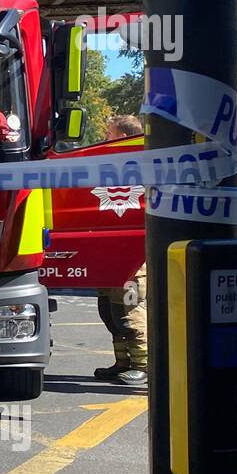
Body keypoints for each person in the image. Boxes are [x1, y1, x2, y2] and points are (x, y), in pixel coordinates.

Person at [95, 114, 148, 388]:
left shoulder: (140, 165)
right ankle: (123, 362)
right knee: (109, 311)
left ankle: (143, 365)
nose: (105, 137)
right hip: (110, 256)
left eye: (109, 133)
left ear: (124, 137)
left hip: (131, 259)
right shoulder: (110, 165)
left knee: (129, 311)